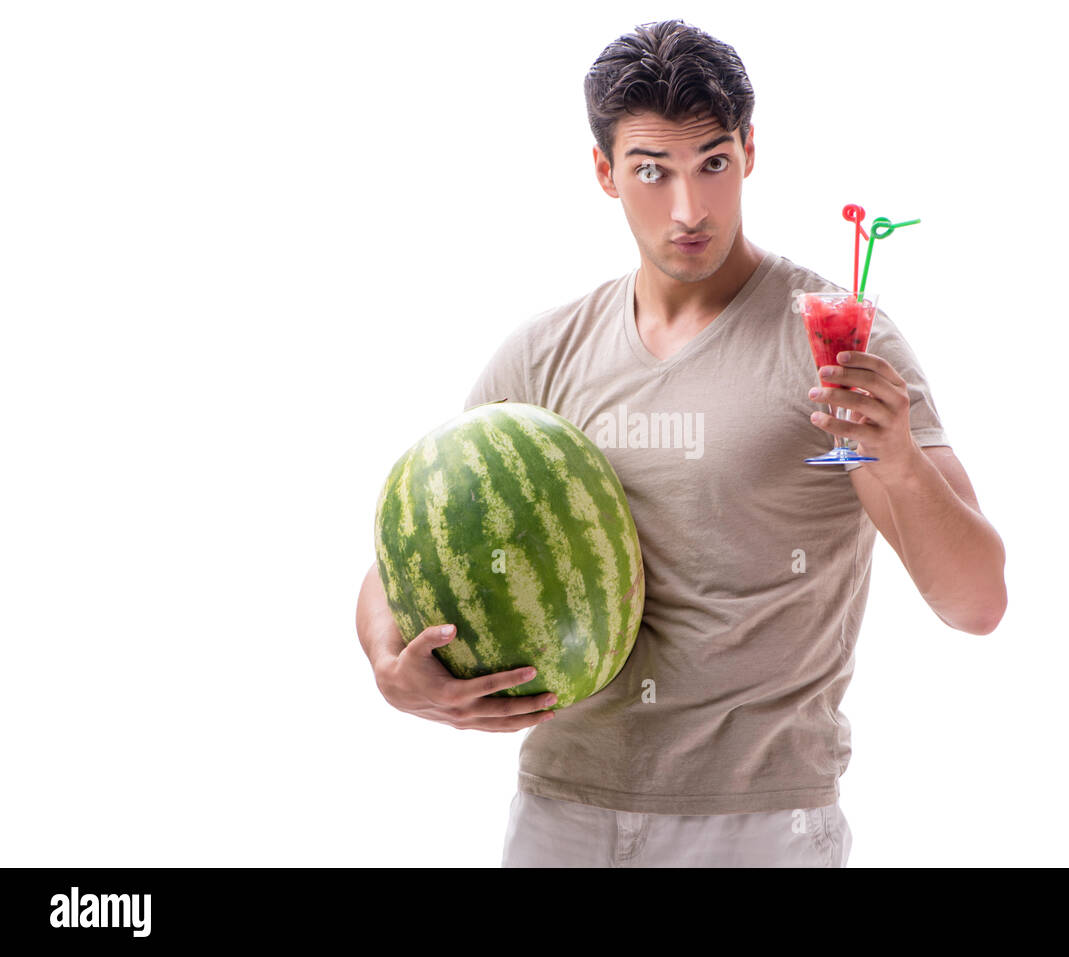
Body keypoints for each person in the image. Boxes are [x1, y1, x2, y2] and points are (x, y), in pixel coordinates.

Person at [355, 18, 1007, 867]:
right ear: (604, 172)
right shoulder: (545, 352)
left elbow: (977, 601)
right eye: (652, 172)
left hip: (758, 827)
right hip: (562, 812)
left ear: (748, 152)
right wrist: (385, 660)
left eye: (713, 164)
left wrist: (899, 456)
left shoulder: (839, 344)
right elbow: (405, 553)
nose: (689, 209)